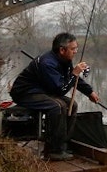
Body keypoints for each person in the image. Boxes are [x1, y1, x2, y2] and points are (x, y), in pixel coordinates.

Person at [10, 32, 100, 161]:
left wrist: (90, 92)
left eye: (76, 48)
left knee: (72, 105)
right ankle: (54, 150)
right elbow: (61, 89)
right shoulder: (47, 63)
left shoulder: (65, 61)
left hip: (42, 91)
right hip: (25, 93)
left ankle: (63, 143)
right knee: (57, 106)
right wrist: (75, 73)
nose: (76, 51)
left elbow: (71, 80)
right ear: (62, 50)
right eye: (73, 49)